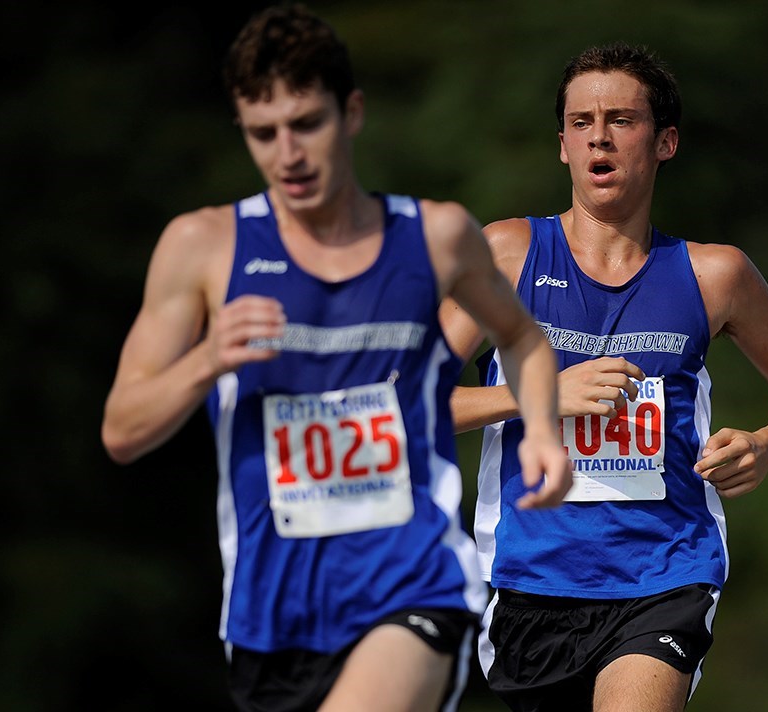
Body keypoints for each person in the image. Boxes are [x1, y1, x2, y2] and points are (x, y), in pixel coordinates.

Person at [101, 5, 571, 712]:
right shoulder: (203, 248)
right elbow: (122, 430)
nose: (287, 153)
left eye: (306, 124)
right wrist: (206, 359)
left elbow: (524, 339)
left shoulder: (437, 237)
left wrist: (541, 430)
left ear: (350, 112)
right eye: (263, 133)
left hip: (412, 586)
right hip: (273, 614)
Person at [439, 42, 768, 711]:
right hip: (530, 580)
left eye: (622, 120)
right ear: (562, 144)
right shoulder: (507, 255)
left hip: (667, 573)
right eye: (581, 121)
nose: (600, 136)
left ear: (665, 142)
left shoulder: (715, 275)